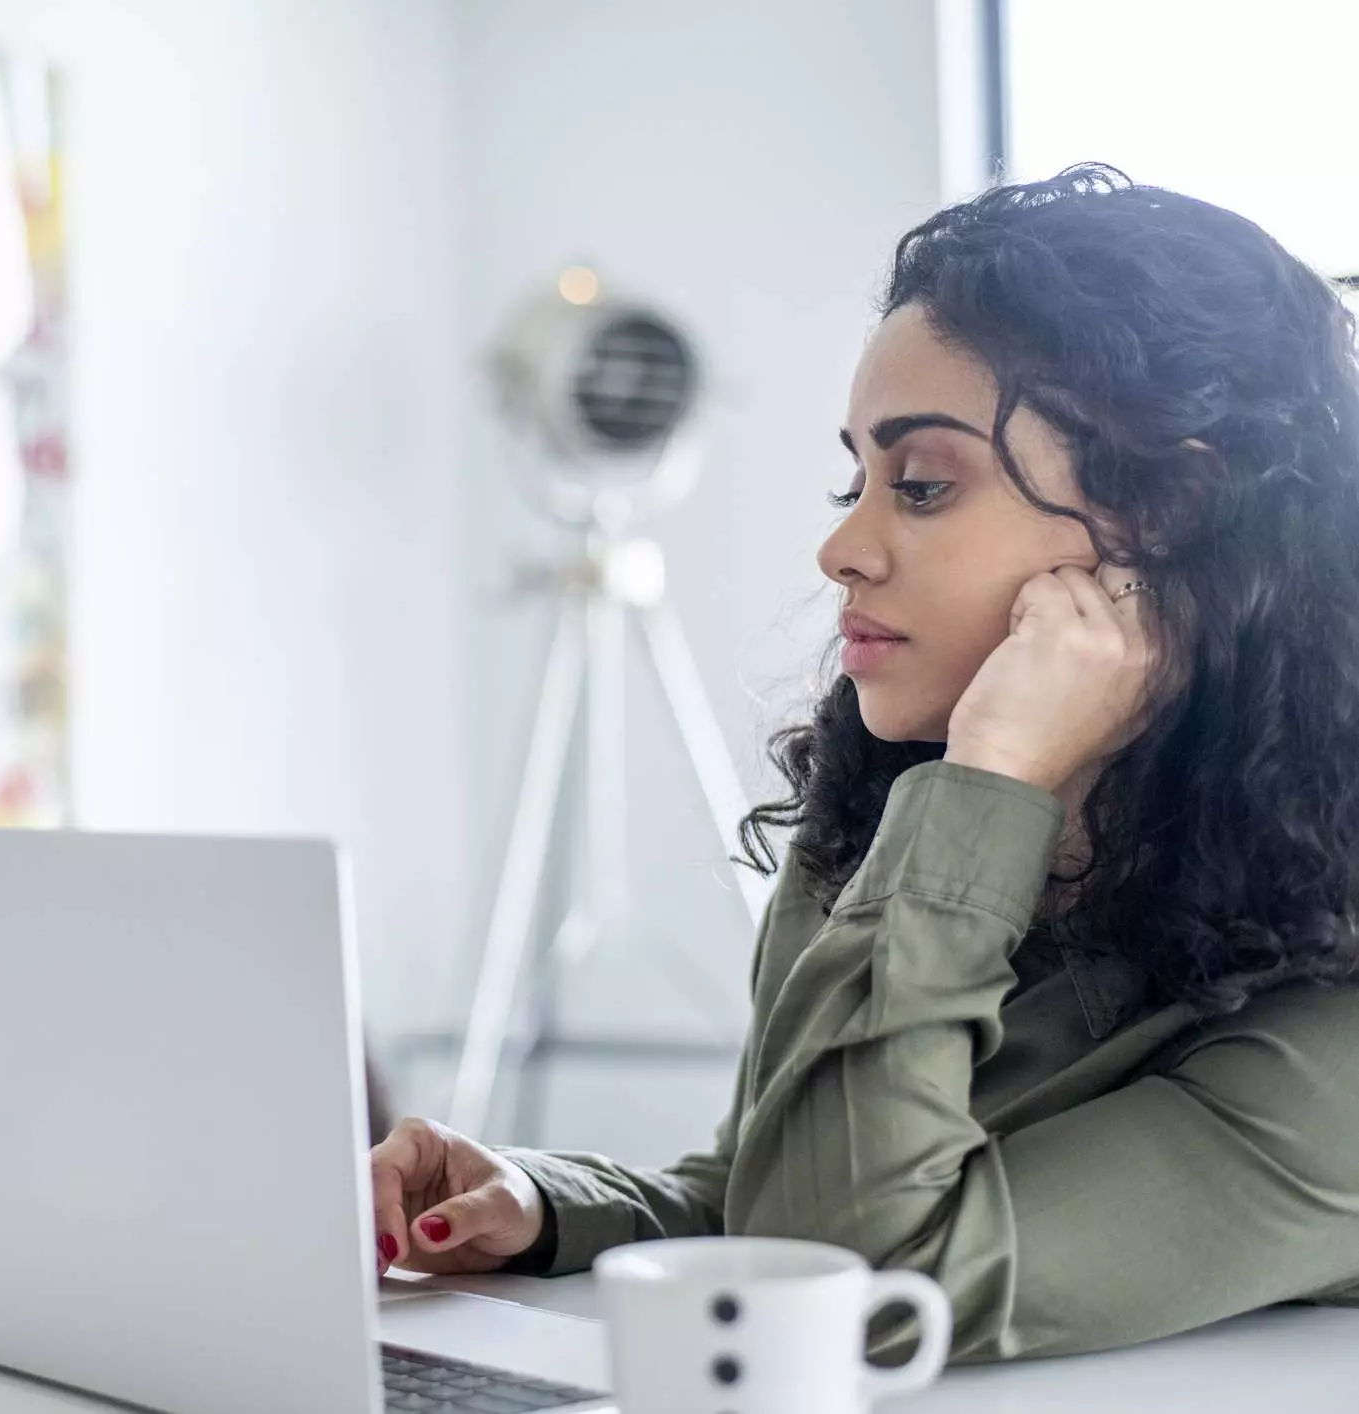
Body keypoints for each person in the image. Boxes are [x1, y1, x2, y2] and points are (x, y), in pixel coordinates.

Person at [372, 165, 1359, 1363]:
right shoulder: (895, 803)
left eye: (925, 484)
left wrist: (991, 784)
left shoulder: (1331, 1031)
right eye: (858, 479)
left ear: (1170, 510)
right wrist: (551, 1203)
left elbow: (848, 1286)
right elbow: (784, 1179)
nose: (842, 546)